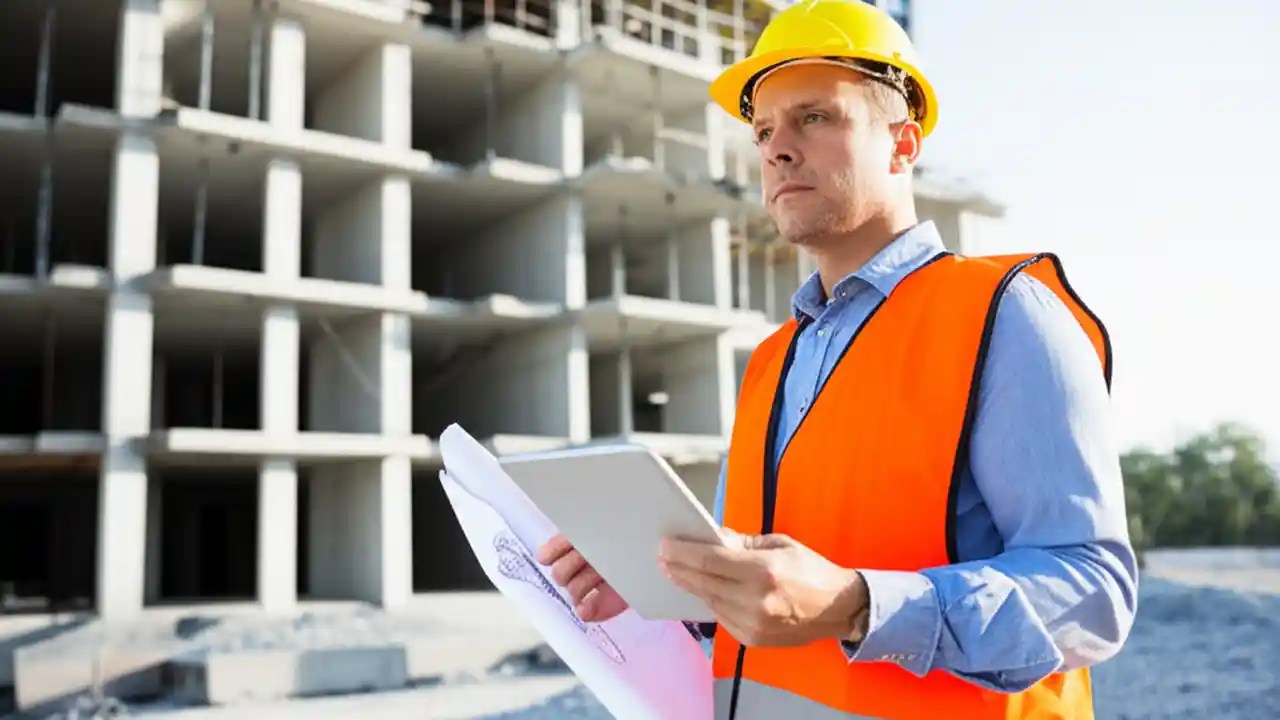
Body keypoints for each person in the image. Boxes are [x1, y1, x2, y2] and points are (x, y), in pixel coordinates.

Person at [538, 1, 1137, 717]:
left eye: (814, 118)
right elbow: (771, 591)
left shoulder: (1007, 317)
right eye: (762, 130)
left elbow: (1095, 593)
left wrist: (857, 605)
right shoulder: (771, 360)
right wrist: (664, 584)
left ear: (902, 143)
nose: (776, 148)